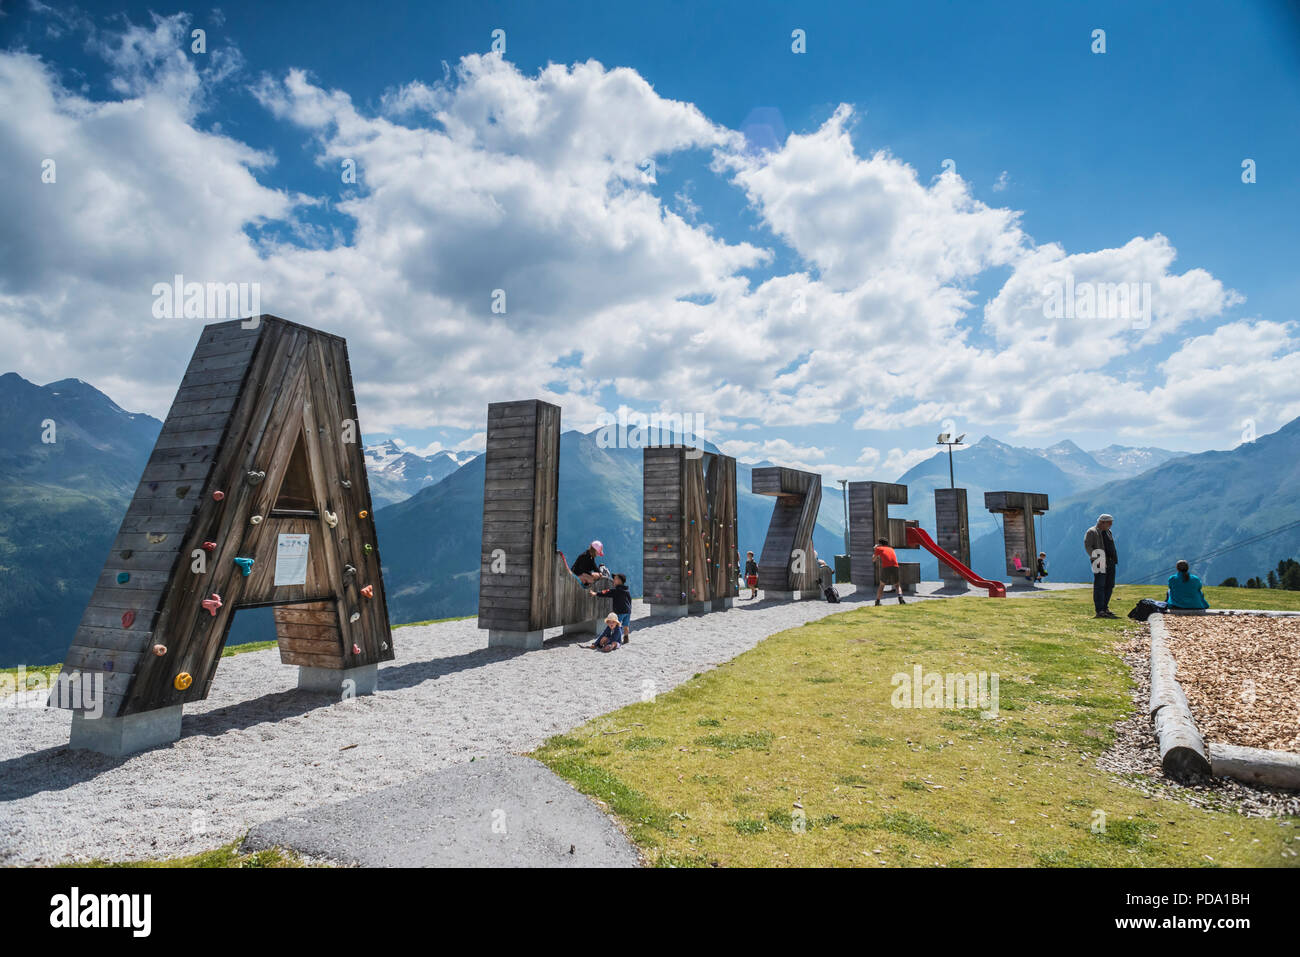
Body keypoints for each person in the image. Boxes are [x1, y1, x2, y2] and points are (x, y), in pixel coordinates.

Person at [1084, 514, 1118, 619]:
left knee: (1110, 585)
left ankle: (1104, 607)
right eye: (1109, 523)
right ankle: (1099, 610)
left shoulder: (1108, 532)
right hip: (1099, 560)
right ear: (1102, 522)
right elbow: (1088, 546)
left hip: (1111, 561)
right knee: (1100, 585)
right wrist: (1095, 559)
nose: (1111, 525)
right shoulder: (1092, 531)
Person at [591, 573, 632, 642]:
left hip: (620, 611)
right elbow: (629, 600)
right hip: (627, 611)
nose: (613, 580)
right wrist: (629, 609)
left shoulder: (615, 590)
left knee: (616, 626)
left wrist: (596, 593)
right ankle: (626, 637)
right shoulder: (626, 591)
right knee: (626, 625)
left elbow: (606, 592)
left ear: (619, 581)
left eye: (615, 579)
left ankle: (616, 639)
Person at [874, 538, 906, 606]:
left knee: (882, 585)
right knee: (897, 585)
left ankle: (877, 602)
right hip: (895, 566)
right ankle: (901, 599)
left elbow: (873, 559)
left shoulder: (878, 549)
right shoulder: (891, 549)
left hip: (886, 567)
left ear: (880, 544)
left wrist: (875, 549)